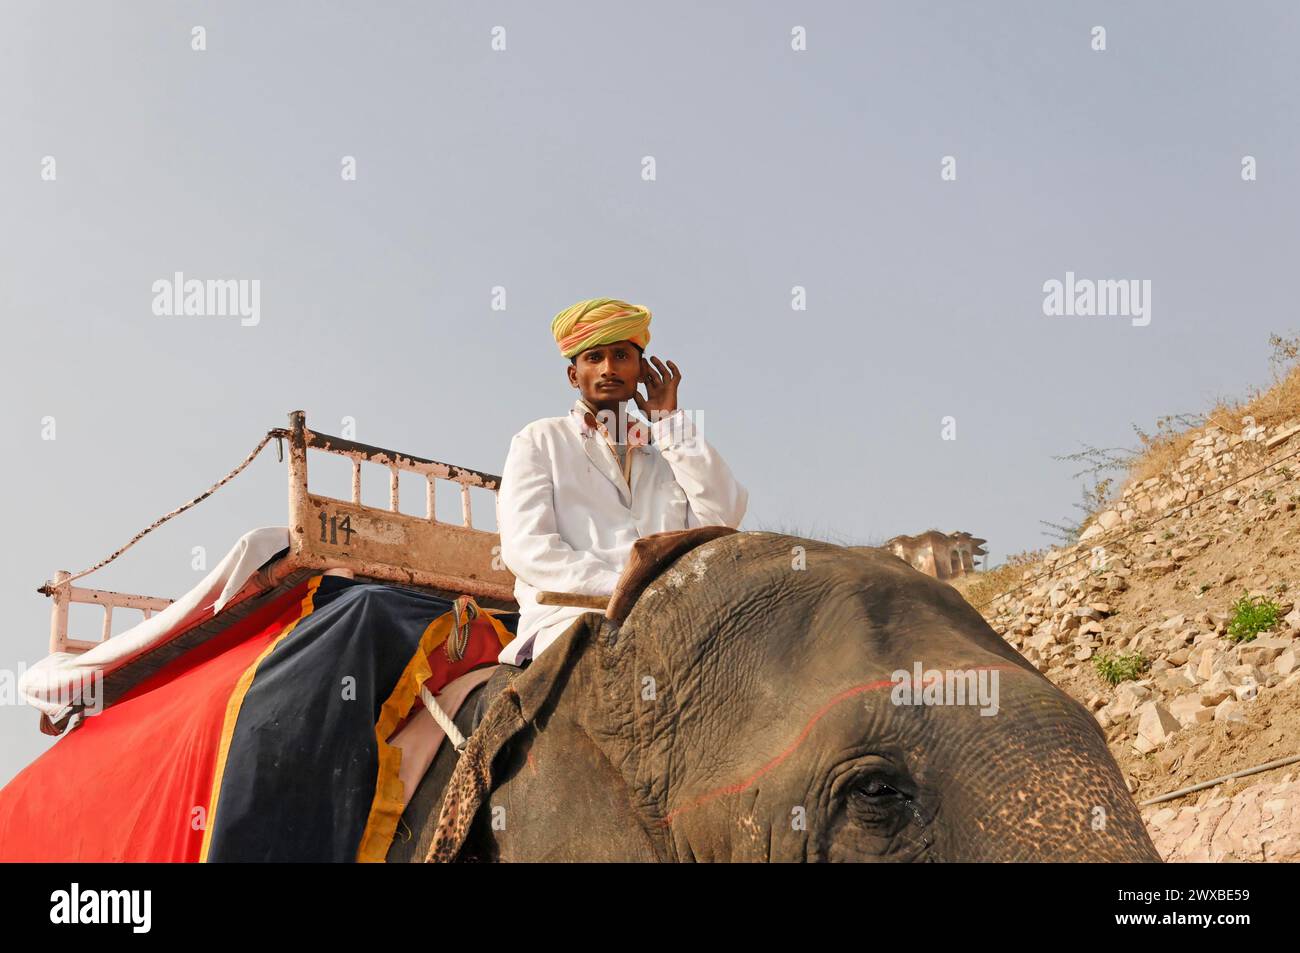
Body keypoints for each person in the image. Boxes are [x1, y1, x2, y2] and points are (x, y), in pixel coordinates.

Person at [495, 297, 748, 666]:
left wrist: (670, 421)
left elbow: (723, 516)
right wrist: (626, 589)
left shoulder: (666, 451)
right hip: (570, 623)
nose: (609, 368)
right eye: (594, 358)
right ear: (573, 375)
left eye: (621, 356)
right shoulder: (540, 439)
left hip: (672, 625)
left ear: (641, 371)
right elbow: (527, 548)